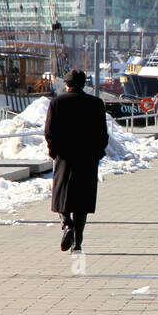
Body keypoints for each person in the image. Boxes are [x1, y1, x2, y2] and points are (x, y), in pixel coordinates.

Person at [44, 69, 109, 252]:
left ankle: (67, 224)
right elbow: (102, 133)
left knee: (62, 194)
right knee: (82, 200)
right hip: (87, 158)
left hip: (65, 157)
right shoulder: (96, 103)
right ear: (84, 84)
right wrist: (98, 152)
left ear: (67, 83)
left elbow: (49, 131)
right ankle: (77, 242)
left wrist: (54, 151)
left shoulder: (57, 102)